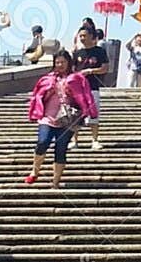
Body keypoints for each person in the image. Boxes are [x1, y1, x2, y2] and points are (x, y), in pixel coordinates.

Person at [24, 50, 98, 187]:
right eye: (57, 62)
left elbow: (86, 96)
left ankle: (55, 181)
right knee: (42, 142)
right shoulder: (48, 79)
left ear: (69, 63)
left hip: (67, 120)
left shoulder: (77, 78)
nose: (60, 65)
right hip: (48, 117)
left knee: (61, 149)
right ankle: (34, 171)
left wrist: (90, 111)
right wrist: (49, 92)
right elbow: (37, 96)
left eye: (63, 62)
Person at [68, 28, 107, 151]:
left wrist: (90, 71)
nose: (82, 38)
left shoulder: (100, 51)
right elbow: (72, 70)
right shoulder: (77, 53)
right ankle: (75, 140)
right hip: (78, 89)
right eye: (80, 36)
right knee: (75, 115)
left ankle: (95, 140)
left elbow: (105, 68)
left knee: (93, 114)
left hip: (92, 86)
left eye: (84, 36)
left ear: (91, 36)